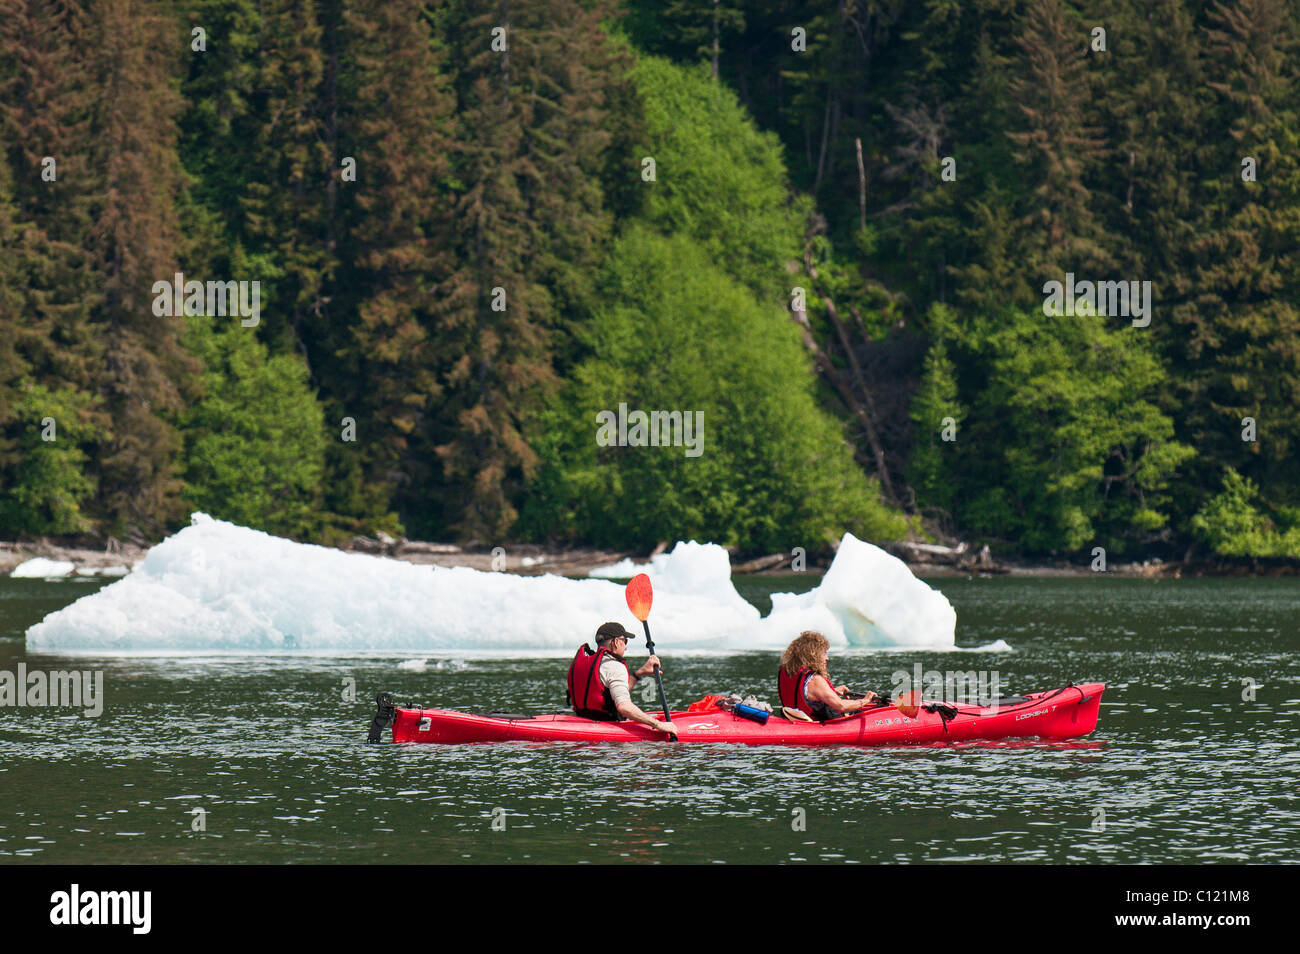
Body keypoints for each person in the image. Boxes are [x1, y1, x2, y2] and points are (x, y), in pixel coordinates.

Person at [567, 622, 678, 735]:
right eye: (625, 641)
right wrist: (659, 724)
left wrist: (639, 673)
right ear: (616, 642)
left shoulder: (588, 664)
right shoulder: (614, 666)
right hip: (607, 735)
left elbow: (611, 693)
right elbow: (624, 707)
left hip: (583, 722)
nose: (626, 647)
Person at [778, 630, 877, 721]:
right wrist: (865, 700)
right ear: (813, 656)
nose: (827, 658)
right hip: (822, 725)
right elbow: (841, 706)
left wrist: (833, 692)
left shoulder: (789, 672)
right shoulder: (815, 680)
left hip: (798, 721)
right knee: (880, 707)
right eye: (824, 653)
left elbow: (809, 695)